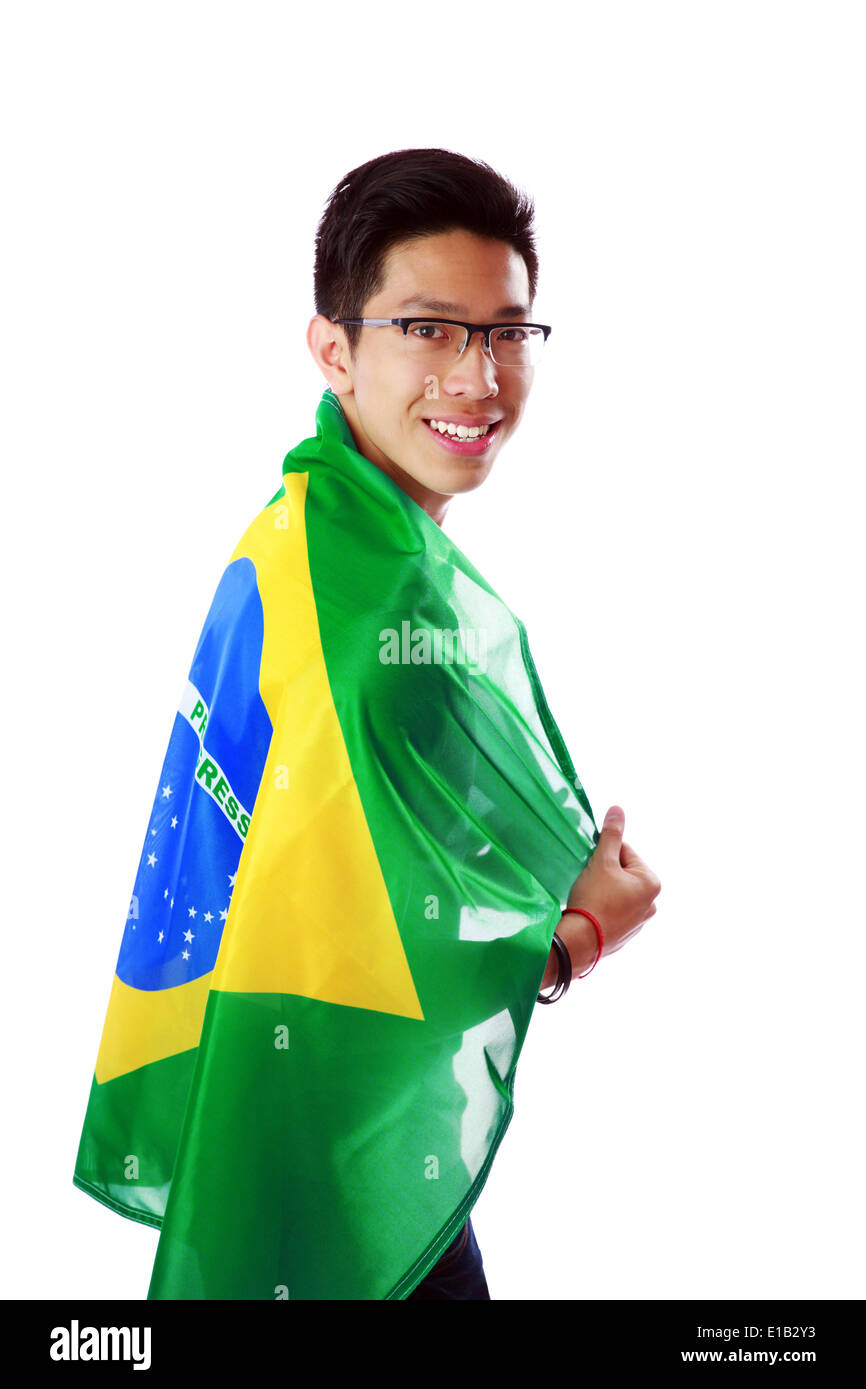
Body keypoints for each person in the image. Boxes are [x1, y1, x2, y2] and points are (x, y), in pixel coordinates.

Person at [305, 148, 662, 1297]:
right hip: (349, 1185)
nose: (476, 378)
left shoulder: (313, 532)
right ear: (332, 348)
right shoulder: (368, 608)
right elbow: (343, 961)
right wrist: (574, 937)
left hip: (342, 1157)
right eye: (426, 329)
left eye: (506, 332)